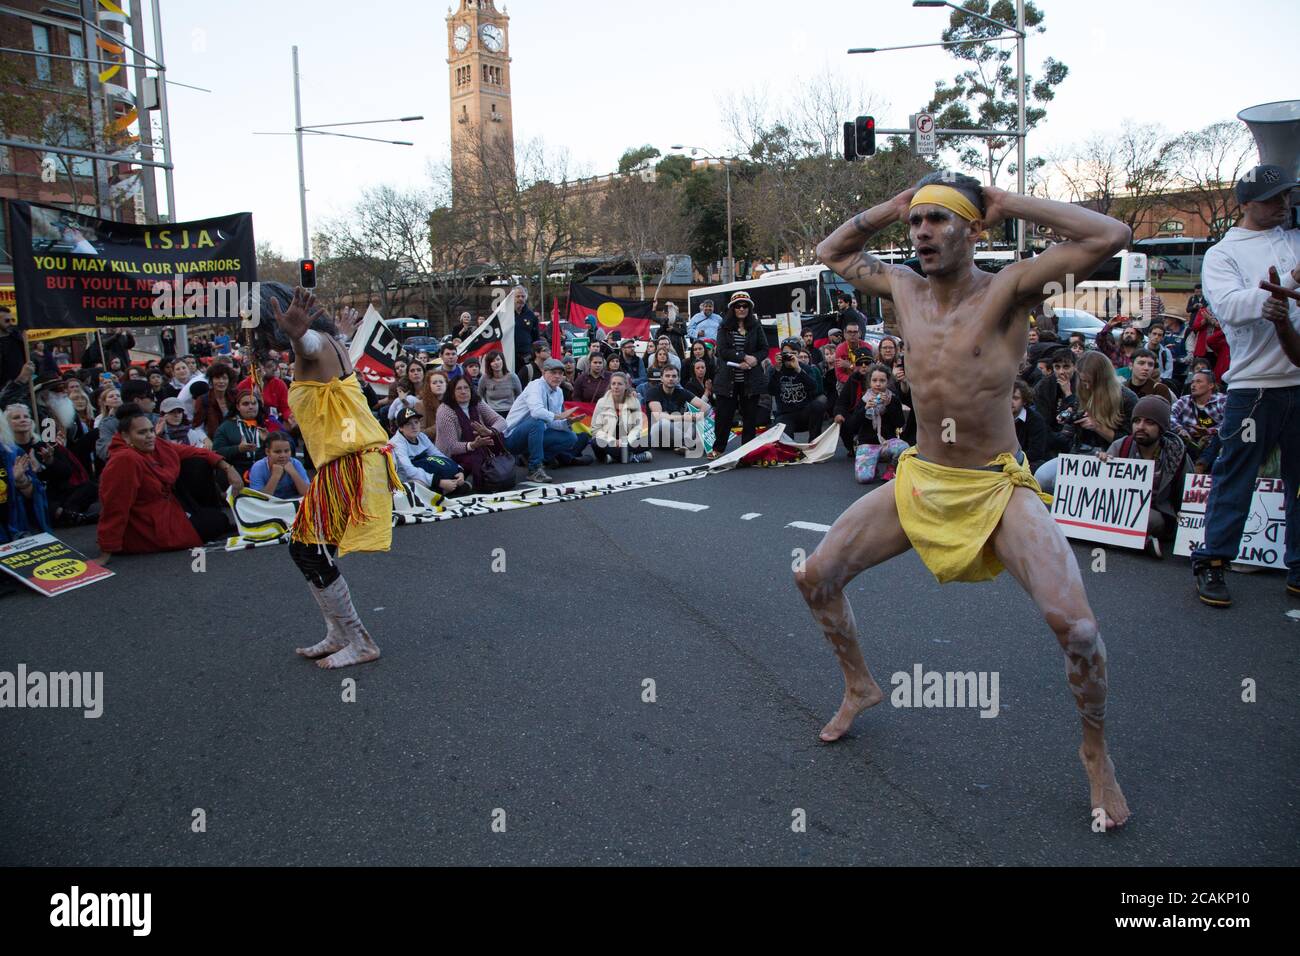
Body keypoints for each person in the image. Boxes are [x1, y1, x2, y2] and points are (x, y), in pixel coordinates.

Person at [803, 170, 1132, 827]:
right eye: (915, 221)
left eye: (938, 219)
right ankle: (859, 685)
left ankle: (1096, 752)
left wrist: (1011, 203)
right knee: (815, 577)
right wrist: (888, 206)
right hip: (922, 478)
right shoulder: (902, 287)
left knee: (1080, 628)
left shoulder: (1011, 289)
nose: (921, 231)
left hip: (994, 486)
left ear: (973, 230)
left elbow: (1111, 234)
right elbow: (831, 254)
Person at [260, 284, 401, 670]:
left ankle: (359, 639)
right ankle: (340, 633)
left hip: (351, 463)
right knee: (304, 548)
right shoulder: (331, 342)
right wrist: (334, 332)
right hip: (351, 461)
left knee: (310, 549)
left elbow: (309, 348)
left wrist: (298, 334)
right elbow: (321, 345)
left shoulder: (313, 345)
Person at [1191, 163, 1300, 608]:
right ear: (1248, 204)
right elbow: (1232, 307)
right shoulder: (1223, 253)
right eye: (1275, 199)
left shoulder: (1294, 236)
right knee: (1235, 476)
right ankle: (1213, 562)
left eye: (1288, 197)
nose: (1284, 206)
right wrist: (1288, 285)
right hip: (1254, 386)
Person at [96, 403, 240, 555]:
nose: (150, 436)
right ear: (125, 436)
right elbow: (114, 506)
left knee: (198, 462)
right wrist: (108, 548)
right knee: (218, 522)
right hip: (148, 526)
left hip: (170, 509)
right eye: (142, 433)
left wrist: (228, 468)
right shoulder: (125, 459)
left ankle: (203, 516)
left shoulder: (156, 445)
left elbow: (194, 451)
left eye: (151, 430)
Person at [1099, 395, 1190, 559]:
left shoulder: (1176, 454)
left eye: (1149, 422)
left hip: (1157, 513)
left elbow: (1187, 493)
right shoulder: (1121, 446)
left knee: (1146, 518)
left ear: (1161, 428)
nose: (1140, 427)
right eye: (1137, 421)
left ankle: (1122, 539)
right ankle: (1142, 544)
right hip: (1118, 509)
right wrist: (1102, 463)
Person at [1036, 351, 1138, 493]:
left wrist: (1098, 427)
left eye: (1090, 382)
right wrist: (1069, 421)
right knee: (1042, 477)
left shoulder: (1127, 398)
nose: (1087, 387)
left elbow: (1130, 442)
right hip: (1079, 454)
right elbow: (1069, 434)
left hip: (1111, 458)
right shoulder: (1082, 392)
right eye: (1083, 382)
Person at [504, 358, 590, 483]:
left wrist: (569, 422)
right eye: (553, 372)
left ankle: (532, 457)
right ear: (544, 373)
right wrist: (559, 416)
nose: (557, 376)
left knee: (571, 437)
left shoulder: (559, 391)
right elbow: (537, 412)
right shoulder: (535, 386)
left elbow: (552, 423)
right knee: (537, 422)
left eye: (560, 373)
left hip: (536, 433)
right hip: (513, 437)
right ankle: (534, 468)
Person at [709, 291, 766, 460]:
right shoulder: (724, 327)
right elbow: (722, 351)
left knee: (750, 416)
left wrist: (754, 359)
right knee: (724, 416)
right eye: (738, 306)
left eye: (745, 306)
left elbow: (764, 348)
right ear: (732, 309)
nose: (741, 309)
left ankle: (747, 451)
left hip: (750, 379)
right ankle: (718, 448)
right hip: (728, 379)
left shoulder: (756, 326)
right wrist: (742, 357)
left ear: (749, 308)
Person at [434, 374, 507, 486]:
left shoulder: (476, 403)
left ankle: (498, 472)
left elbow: (501, 421)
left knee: (499, 436)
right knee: (475, 457)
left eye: (466, 388)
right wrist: (472, 445)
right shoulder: (445, 411)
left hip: (478, 444)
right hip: (452, 455)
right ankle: (474, 481)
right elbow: (452, 446)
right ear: (452, 392)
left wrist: (489, 431)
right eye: (459, 388)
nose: (463, 392)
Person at [848, 363, 909, 481]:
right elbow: (852, 426)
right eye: (874, 380)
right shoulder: (864, 399)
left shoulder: (892, 398)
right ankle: (872, 467)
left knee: (904, 448)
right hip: (868, 444)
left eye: (882, 380)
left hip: (886, 443)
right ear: (869, 382)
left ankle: (892, 468)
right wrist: (864, 409)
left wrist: (889, 405)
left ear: (887, 382)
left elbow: (900, 423)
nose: (878, 384)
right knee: (864, 479)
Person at [390, 407, 470, 496]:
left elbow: (438, 455)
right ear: (401, 428)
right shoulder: (397, 443)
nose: (414, 426)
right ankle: (443, 493)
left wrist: (458, 470)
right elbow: (409, 470)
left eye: (416, 422)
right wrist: (438, 482)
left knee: (448, 472)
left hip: (421, 473)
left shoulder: (421, 436)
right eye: (409, 424)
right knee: (419, 484)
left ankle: (446, 491)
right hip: (402, 481)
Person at [0, 409, 50, 543]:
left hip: (13, 531)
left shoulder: (11, 452)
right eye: (16, 418)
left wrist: (21, 481)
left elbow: (33, 496)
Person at [768, 338, 827, 441]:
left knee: (818, 405)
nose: (790, 356)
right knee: (787, 443)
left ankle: (814, 442)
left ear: (798, 355)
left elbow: (813, 388)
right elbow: (771, 391)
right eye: (786, 353)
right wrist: (777, 370)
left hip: (804, 412)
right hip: (785, 414)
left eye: (793, 353)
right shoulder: (775, 369)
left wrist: (798, 369)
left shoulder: (806, 368)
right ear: (781, 354)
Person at [1170, 370, 1227, 472]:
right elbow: (1170, 415)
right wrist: (1179, 429)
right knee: (1174, 435)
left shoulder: (1221, 400)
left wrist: (1210, 431)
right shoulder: (1184, 400)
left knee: (1221, 435)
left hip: (1213, 443)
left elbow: (1230, 421)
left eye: (1198, 382)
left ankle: (1200, 466)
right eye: (1192, 382)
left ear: (1210, 385)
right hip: (1190, 441)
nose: (1193, 385)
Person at [645, 364, 708, 455]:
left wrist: (697, 417)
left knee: (693, 421)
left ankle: (685, 444)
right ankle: (688, 442)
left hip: (676, 435)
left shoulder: (682, 392)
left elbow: (706, 407)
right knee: (663, 422)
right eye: (667, 376)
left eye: (674, 376)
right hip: (659, 437)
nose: (671, 379)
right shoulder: (653, 392)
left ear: (678, 379)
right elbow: (658, 416)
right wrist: (683, 417)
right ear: (661, 379)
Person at [591, 372, 651, 464]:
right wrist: (613, 441)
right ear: (610, 385)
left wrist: (625, 441)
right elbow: (596, 429)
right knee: (595, 442)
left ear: (626, 386)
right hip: (609, 441)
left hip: (627, 441)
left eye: (619, 384)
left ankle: (614, 458)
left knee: (649, 440)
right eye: (613, 383)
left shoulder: (634, 402)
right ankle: (631, 457)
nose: (616, 386)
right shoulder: (601, 402)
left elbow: (637, 427)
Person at [213, 390, 269, 481]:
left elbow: (286, 447)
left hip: (264, 472)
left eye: (254, 403)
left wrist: (268, 441)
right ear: (238, 407)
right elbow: (216, 453)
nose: (251, 407)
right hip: (236, 473)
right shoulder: (226, 427)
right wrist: (238, 449)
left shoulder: (268, 424)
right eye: (246, 404)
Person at [249, 432, 310, 499]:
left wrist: (293, 473)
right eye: (277, 452)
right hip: (269, 506)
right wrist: (275, 476)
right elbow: (259, 499)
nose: (283, 455)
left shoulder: (296, 464)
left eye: (286, 451)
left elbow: (307, 493)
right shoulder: (258, 467)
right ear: (267, 452)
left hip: (292, 503)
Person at [1012, 379, 1049, 473]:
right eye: (1008, 397)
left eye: (1015, 398)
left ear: (1024, 401)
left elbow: (1036, 452)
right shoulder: (999, 417)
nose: (1010, 402)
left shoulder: (1035, 420)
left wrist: (1013, 460)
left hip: (1026, 462)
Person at [478, 351, 523, 415]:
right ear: (489, 364)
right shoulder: (484, 378)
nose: (496, 363)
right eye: (493, 361)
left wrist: (515, 409)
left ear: (503, 361)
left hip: (511, 411)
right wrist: (486, 409)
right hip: (491, 412)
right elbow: (480, 395)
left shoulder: (513, 377)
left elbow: (519, 395)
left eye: (498, 359)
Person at [833, 320, 868, 385]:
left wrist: (850, 366)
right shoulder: (840, 349)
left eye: (855, 332)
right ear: (845, 334)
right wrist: (854, 381)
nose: (852, 334)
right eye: (849, 332)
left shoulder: (867, 347)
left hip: (864, 381)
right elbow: (839, 375)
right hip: (846, 383)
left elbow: (867, 371)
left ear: (859, 334)